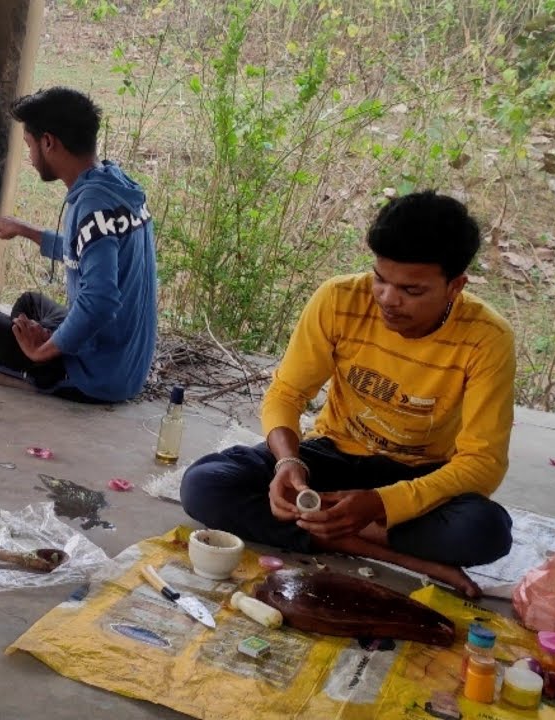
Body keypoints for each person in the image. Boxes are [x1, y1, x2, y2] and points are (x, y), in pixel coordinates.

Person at [180, 191, 516, 598]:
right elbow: (286, 393)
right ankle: (385, 550)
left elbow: (483, 463)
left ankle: (327, 527)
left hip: (419, 474)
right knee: (205, 484)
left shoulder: (486, 338)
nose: (388, 299)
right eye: (380, 279)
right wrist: (288, 461)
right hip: (333, 456)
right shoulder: (340, 299)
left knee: (484, 530)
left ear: (455, 286)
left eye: (411, 290)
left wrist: (383, 503)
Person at [0, 86, 158, 403]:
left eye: (29, 145)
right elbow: (89, 251)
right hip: (124, 361)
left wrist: (42, 351)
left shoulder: (91, 207)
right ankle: (20, 356)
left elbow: (101, 300)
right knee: (30, 304)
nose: (31, 158)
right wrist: (24, 230)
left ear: (48, 142)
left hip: (96, 374)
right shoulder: (114, 184)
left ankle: (29, 372)